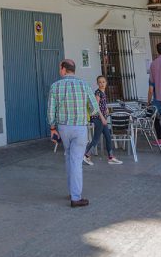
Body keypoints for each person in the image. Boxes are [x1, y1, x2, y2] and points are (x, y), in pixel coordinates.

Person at [47, 59, 100, 207]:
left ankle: (72, 190)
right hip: (80, 127)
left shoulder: (55, 86)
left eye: (60, 68)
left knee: (69, 157)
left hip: (63, 127)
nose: (59, 71)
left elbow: (51, 110)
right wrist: (85, 112)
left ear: (64, 69)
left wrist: (52, 128)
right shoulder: (84, 85)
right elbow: (95, 108)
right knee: (77, 161)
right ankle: (76, 197)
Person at [83, 76, 119, 165]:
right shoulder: (98, 93)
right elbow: (96, 107)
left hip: (102, 118)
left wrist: (106, 108)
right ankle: (86, 155)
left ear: (106, 83)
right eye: (100, 82)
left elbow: (102, 104)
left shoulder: (103, 92)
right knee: (96, 138)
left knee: (108, 136)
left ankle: (111, 157)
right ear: (97, 83)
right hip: (98, 118)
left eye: (103, 82)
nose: (102, 84)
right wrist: (102, 118)